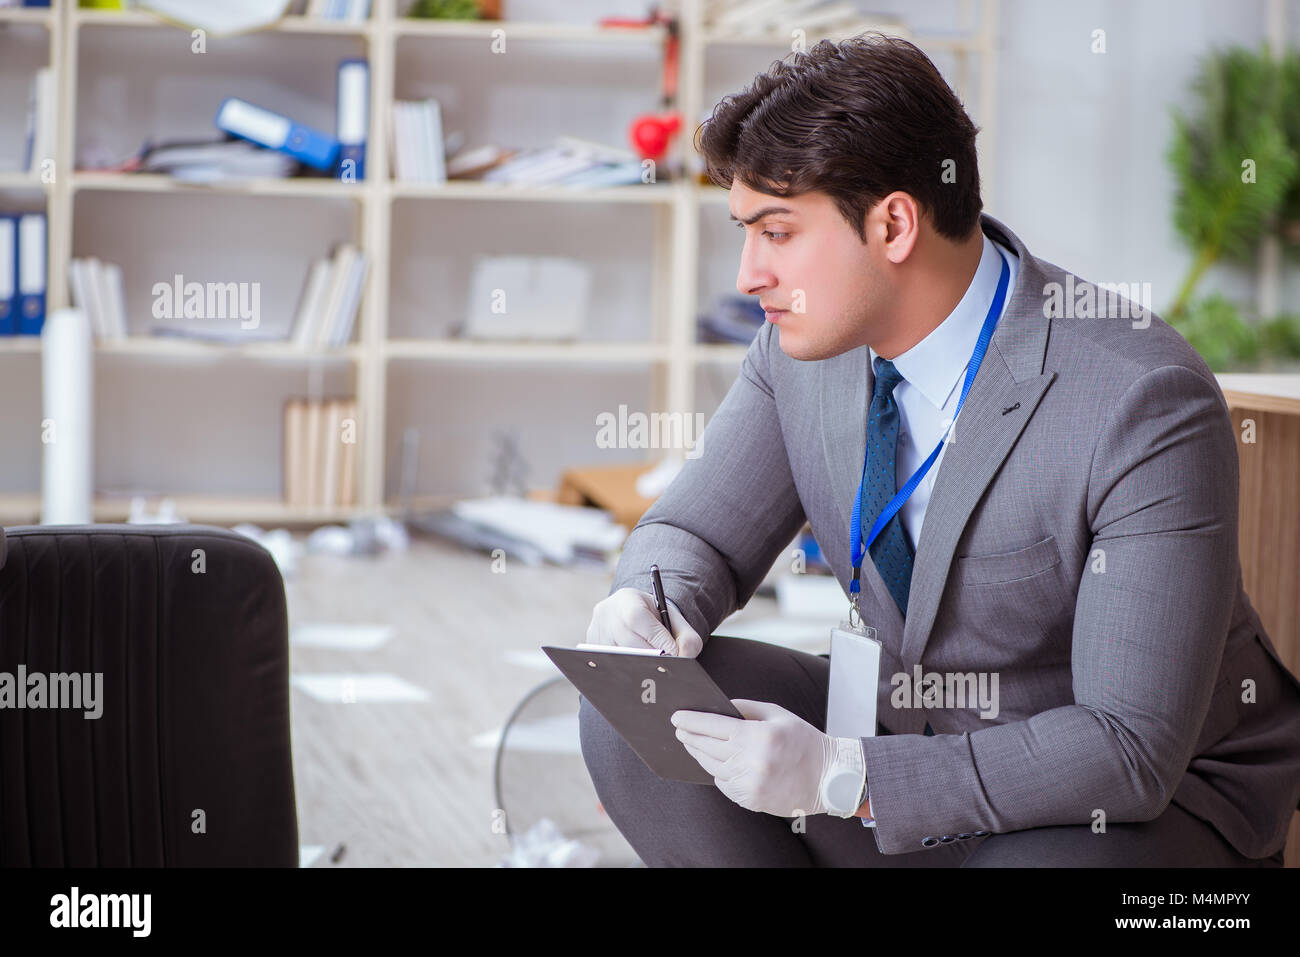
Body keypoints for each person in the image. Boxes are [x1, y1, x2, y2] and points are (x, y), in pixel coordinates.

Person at [578, 33, 1300, 867]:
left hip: (1125, 799)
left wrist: (847, 775)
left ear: (892, 224)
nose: (748, 275)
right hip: (901, 723)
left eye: (775, 232)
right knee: (634, 714)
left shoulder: (1139, 399)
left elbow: (1127, 746)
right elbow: (696, 534)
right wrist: (648, 603)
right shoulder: (802, 353)